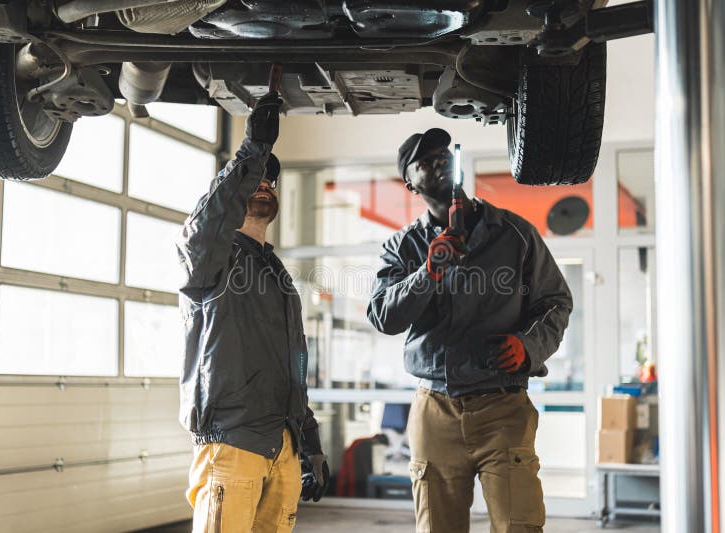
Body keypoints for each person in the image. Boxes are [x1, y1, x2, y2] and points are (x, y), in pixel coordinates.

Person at [367, 128, 573, 533]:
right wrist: (428, 272)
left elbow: (556, 301)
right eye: (425, 161)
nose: (439, 162)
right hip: (435, 411)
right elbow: (383, 316)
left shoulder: (514, 234)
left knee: (519, 525)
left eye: (444, 154)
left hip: (503, 407)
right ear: (410, 183)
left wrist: (529, 345)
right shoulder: (402, 248)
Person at [176, 92, 329, 532]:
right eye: (256, 178)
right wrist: (253, 151)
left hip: (282, 446)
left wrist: (308, 439)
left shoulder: (279, 276)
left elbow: (294, 365)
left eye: (270, 179)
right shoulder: (210, 259)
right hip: (233, 442)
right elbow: (206, 224)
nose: (265, 182)